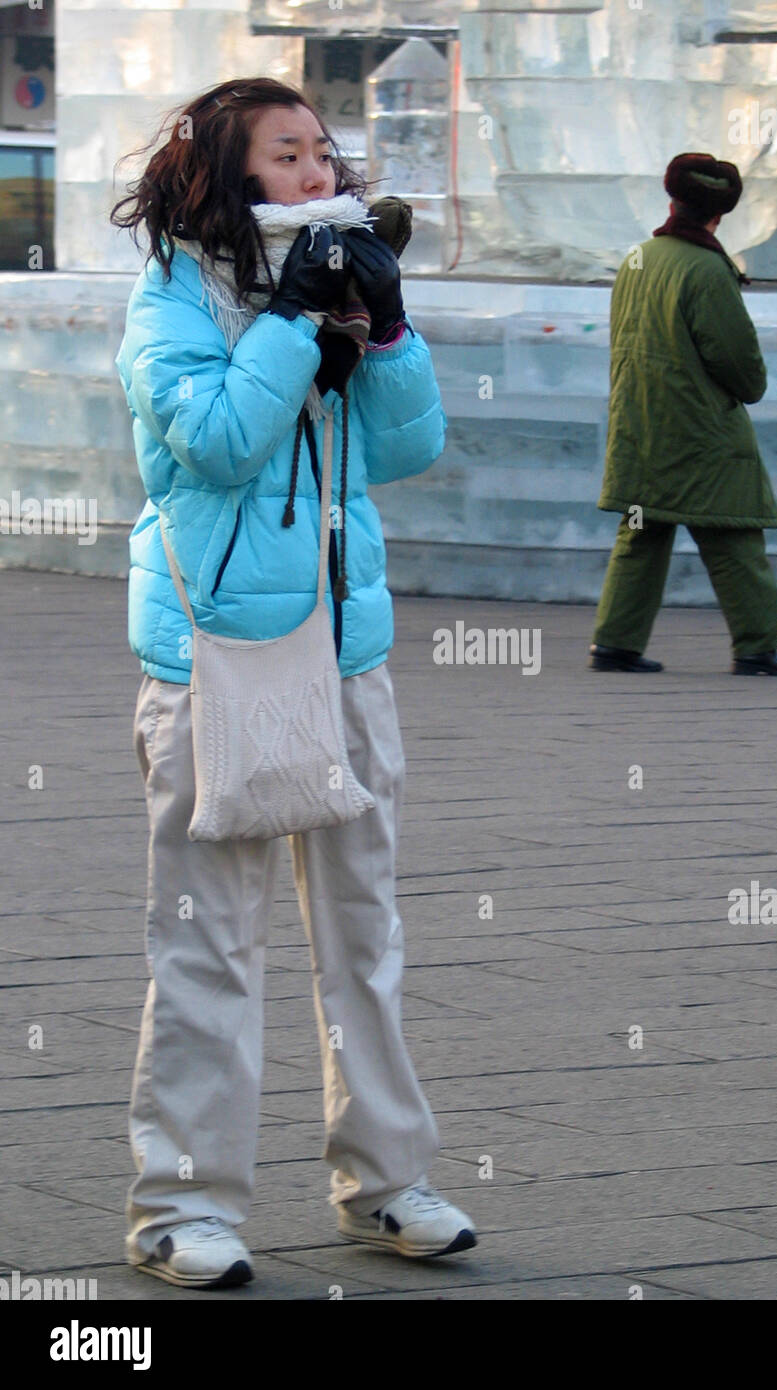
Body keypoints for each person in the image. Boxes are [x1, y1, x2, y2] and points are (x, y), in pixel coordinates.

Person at [109, 77, 477, 1289]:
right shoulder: (169, 303)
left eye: (325, 153)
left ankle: (386, 1181)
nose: (319, 175)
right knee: (208, 942)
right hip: (221, 661)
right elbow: (212, 442)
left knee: (364, 936)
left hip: (344, 654)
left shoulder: (334, 283)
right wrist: (292, 323)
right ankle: (182, 1207)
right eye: (288, 155)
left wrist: (389, 325)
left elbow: (408, 449)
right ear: (227, 172)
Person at [590, 152, 777, 677]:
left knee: (642, 531)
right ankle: (758, 646)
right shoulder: (708, 269)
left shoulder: (639, 258)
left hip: (639, 421)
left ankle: (615, 643)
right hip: (700, 429)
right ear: (719, 215)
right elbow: (736, 359)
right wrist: (752, 387)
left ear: (673, 200)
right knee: (733, 534)